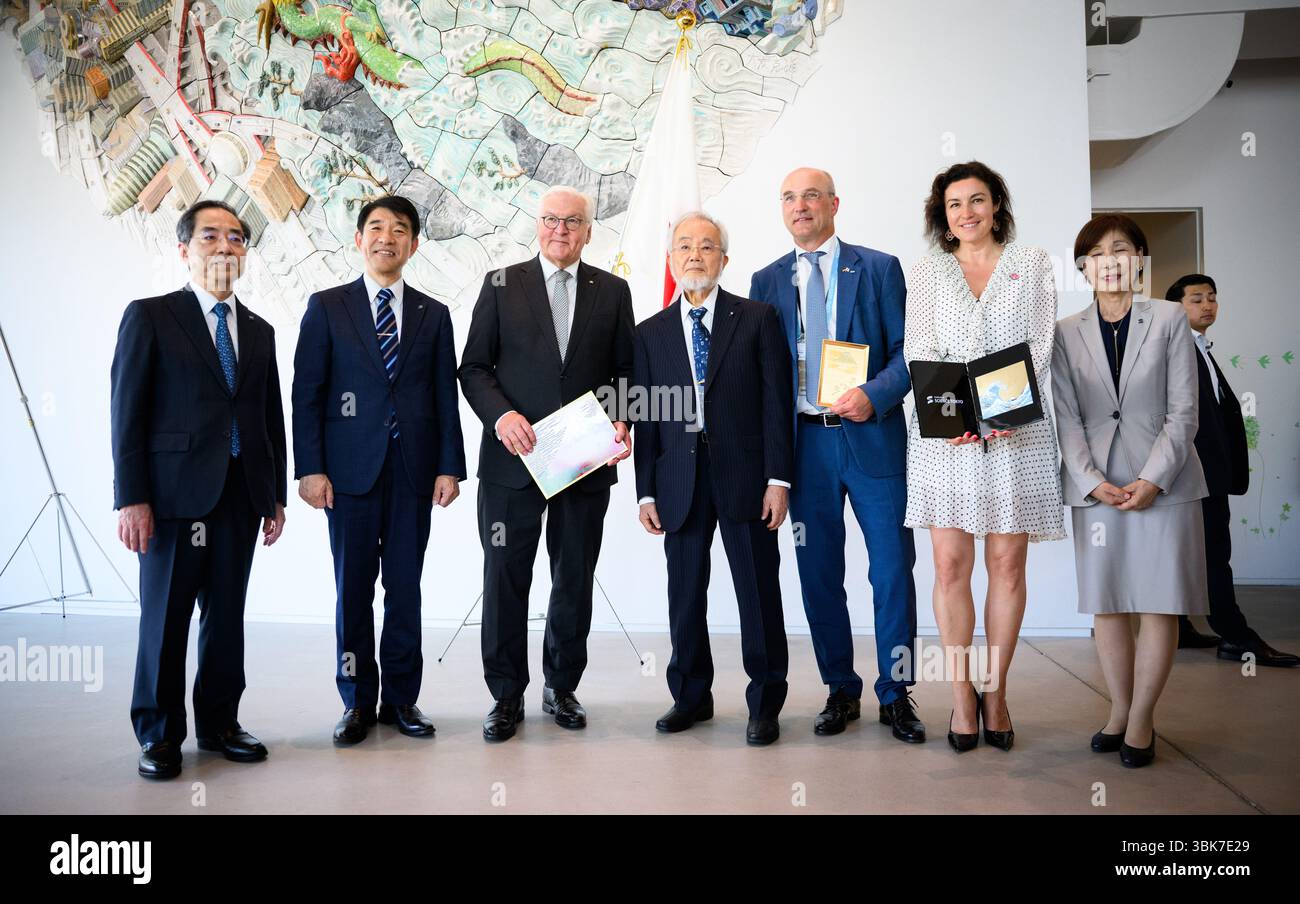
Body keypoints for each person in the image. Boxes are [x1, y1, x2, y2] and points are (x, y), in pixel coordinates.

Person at [111, 199, 287, 779]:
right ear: (185, 249)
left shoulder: (259, 331)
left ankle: (219, 724)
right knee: (165, 618)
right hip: (170, 499)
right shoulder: (151, 316)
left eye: (236, 238)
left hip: (239, 495)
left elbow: (269, 417)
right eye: (210, 235)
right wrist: (131, 497)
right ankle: (159, 734)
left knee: (226, 616)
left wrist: (274, 495)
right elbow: (127, 414)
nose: (225, 245)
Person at [748, 168, 923, 743]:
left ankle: (896, 693)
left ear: (834, 204)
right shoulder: (766, 280)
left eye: (811, 196)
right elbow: (759, 372)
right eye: (790, 198)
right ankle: (840, 687)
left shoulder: (878, 268)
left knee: (892, 569)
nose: (801, 207)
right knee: (818, 574)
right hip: (804, 447)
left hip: (871, 440)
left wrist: (873, 396)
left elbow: (908, 353)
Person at [458, 185, 634, 742]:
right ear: (538, 225)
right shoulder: (502, 283)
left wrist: (623, 418)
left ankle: (561, 686)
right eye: (551, 220)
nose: (561, 229)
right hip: (515, 458)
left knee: (573, 576)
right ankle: (506, 695)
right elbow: (473, 367)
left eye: (573, 221)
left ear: (588, 231)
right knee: (505, 576)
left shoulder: (613, 290)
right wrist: (501, 416)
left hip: (583, 459)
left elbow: (625, 374)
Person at [292, 195, 467, 745]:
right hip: (347, 477)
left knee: (405, 589)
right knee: (353, 591)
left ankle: (402, 700)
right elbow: (306, 394)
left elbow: (444, 396)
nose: (386, 237)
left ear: (414, 245)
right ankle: (355, 701)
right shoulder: (327, 307)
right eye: (375, 228)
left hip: (414, 473)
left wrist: (450, 467)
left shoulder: (433, 315)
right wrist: (310, 468)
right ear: (359, 240)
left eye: (399, 230)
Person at [903, 161, 1064, 753]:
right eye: (954, 204)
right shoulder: (927, 272)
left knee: (1008, 567)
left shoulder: (1033, 264)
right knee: (948, 567)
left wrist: (993, 416)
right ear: (941, 216)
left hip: (1014, 435)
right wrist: (957, 418)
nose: (966, 213)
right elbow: (921, 351)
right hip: (947, 440)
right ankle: (961, 695)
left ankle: (996, 693)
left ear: (996, 205)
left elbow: (1039, 350)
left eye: (976, 200)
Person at [1052, 214, 1208, 768]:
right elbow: (1066, 418)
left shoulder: (1168, 319)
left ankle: (1142, 718)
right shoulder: (1065, 331)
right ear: (1083, 267)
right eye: (1096, 253)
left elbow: (1183, 411)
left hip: (1165, 481)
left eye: (1122, 249)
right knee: (1109, 604)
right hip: (1097, 487)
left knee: (1161, 603)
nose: (1110, 260)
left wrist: (1152, 478)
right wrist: (1093, 481)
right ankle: (1118, 710)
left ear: (1139, 259)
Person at [634, 211, 794, 745]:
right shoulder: (650, 333)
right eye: (684, 246)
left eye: (707, 246)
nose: (695, 255)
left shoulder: (756, 318)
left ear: (724, 259)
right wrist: (646, 490)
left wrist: (779, 479)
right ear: (671, 260)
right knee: (684, 592)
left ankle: (765, 702)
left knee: (757, 589)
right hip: (677, 478)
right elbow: (648, 416)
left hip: (747, 476)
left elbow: (776, 404)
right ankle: (690, 695)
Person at [1167, 274, 1298, 667]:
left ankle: (1180, 629)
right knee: (1210, 554)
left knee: (1196, 552)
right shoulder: (1175, 351)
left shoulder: (1200, 348)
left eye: (1212, 298)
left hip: (1208, 473)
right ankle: (1235, 635)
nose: (1207, 305)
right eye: (1196, 299)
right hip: (1192, 474)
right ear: (1177, 308)